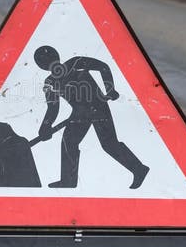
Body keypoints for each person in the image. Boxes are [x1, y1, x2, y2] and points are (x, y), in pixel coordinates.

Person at [34, 45, 149, 189]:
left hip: (98, 108)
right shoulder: (50, 82)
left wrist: (110, 88)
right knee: (68, 142)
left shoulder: (76, 63)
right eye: (46, 62)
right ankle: (68, 181)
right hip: (78, 114)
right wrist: (45, 125)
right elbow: (52, 107)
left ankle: (139, 169)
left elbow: (103, 67)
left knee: (109, 145)